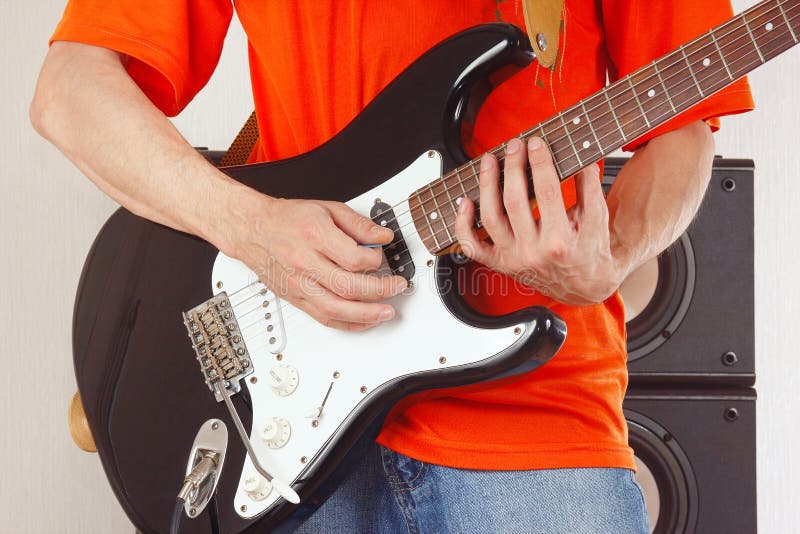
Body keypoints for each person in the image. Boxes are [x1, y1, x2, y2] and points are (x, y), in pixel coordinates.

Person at [31, 1, 753, 532]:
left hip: (535, 411)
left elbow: (682, 121)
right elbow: (71, 90)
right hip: (284, 401)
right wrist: (250, 228)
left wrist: (615, 255)